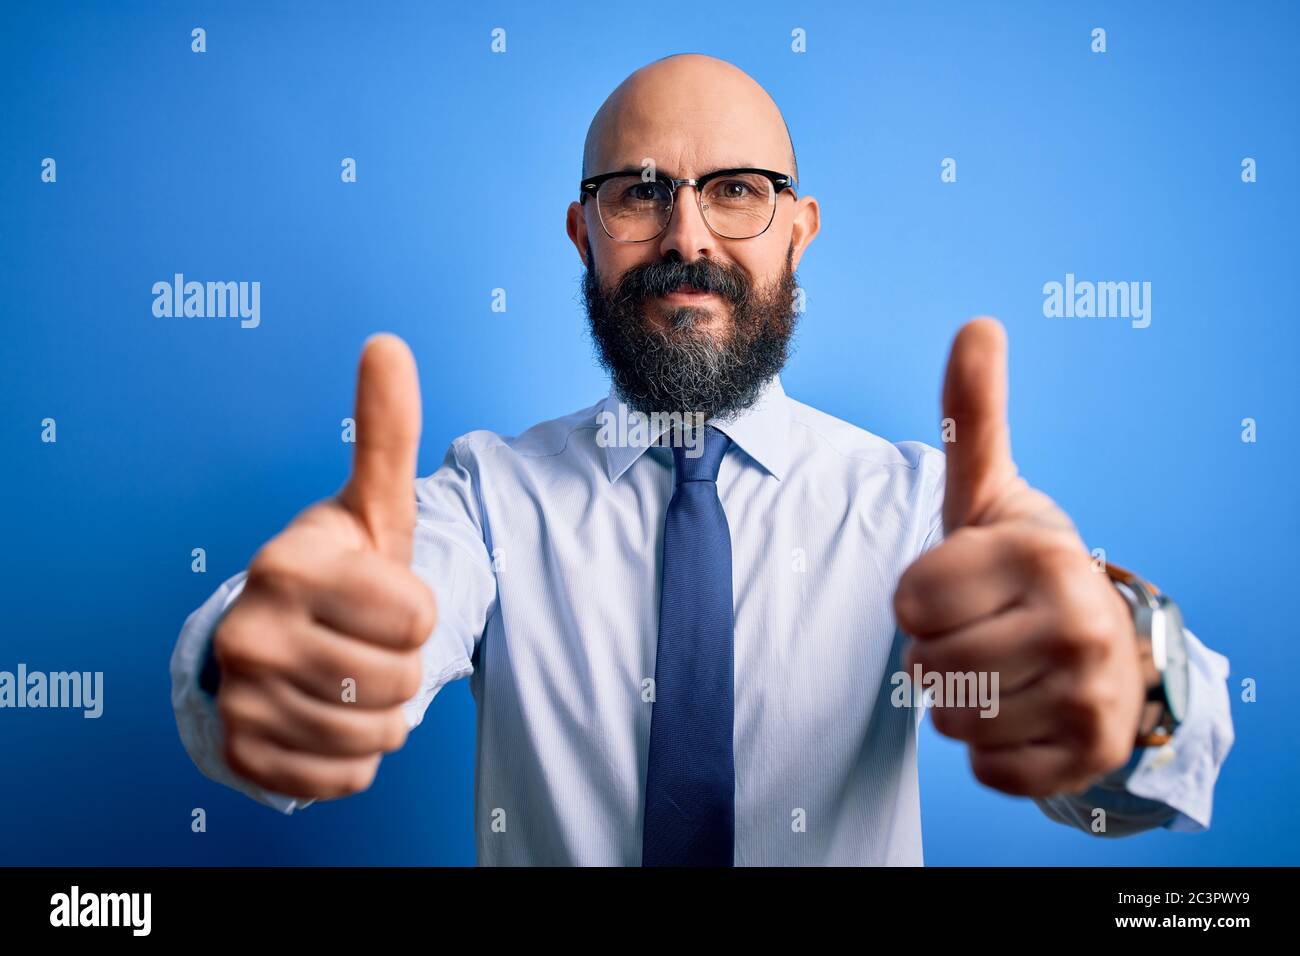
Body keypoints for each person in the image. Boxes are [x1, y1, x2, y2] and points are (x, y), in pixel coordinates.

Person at [170, 53, 1233, 865]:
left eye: (736, 190)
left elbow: (1125, 781)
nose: (687, 235)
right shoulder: (488, 500)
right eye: (638, 192)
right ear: (583, 231)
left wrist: (1123, 673)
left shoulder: (916, 506)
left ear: (798, 230)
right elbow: (346, 624)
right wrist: (268, 665)